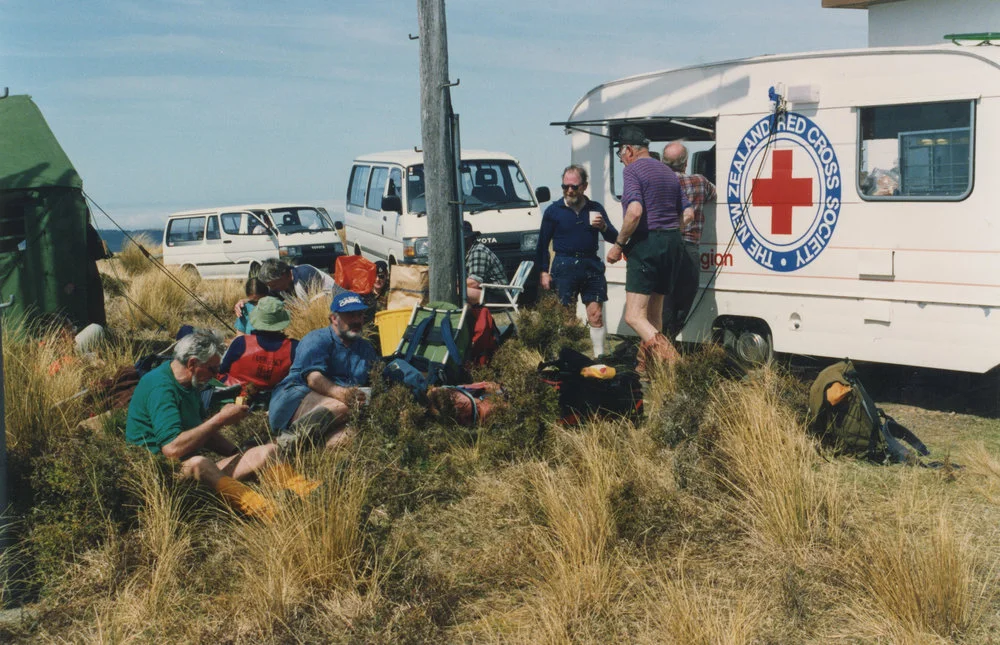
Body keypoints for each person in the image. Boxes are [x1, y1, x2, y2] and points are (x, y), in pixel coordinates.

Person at [125, 329, 319, 518]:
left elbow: (200, 430)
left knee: (267, 451)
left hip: (186, 469)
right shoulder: (161, 388)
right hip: (160, 476)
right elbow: (172, 449)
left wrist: (237, 452)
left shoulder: (189, 383)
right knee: (199, 463)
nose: (216, 374)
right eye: (212, 368)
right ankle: (268, 511)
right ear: (192, 363)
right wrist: (219, 420)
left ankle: (311, 493)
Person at [606, 125, 695, 373]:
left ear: (628, 150)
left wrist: (618, 245)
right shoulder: (667, 172)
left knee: (633, 316)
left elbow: (634, 212)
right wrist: (668, 229)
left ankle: (679, 366)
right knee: (653, 317)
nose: (622, 160)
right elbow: (688, 214)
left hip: (647, 244)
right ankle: (652, 372)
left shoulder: (633, 170)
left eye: (620, 154)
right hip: (673, 243)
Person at [268, 291, 380, 452]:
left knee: (353, 434)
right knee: (344, 404)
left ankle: (302, 451)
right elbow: (313, 379)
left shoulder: (366, 348)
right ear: (334, 318)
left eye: (360, 315)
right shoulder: (317, 339)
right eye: (350, 315)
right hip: (292, 402)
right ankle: (284, 445)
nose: (357, 320)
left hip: (334, 410)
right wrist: (344, 395)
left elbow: (375, 380)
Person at [536, 164, 618, 357]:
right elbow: (542, 244)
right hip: (564, 265)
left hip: (591, 265)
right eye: (565, 187)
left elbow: (614, 237)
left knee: (596, 315)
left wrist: (604, 226)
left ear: (584, 186)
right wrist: (543, 272)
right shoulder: (553, 211)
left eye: (574, 186)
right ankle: (568, 357)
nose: (569, 191)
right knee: (567, 317)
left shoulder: (595, 208)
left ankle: (599, 358)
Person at [662, 141, 716, 335]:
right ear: (685, 164)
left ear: (662, 161)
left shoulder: (657, 183)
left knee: (664, 299)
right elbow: (715, 194)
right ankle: (671, 340)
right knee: (684, 297)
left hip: (664, 247)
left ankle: (660, 347)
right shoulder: (700, 182)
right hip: (689, 246)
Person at [220, 296, 299, 399]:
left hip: (236, 393)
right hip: (274, 396)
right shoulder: (294, 347)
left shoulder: (240, 342)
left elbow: (222, 370)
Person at [252, 259, 335, 305]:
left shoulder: (305, 275)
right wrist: (247, 301)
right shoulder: (278, 287)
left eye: (274, 285)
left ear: (283, 275)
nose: (272, 289)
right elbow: (265, 299)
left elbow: (318, 305)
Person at [463, 220, 507, 306]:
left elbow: (474, 282)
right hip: (487, 291)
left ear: (468, 238)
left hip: (497, 296)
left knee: (455, 292)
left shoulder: (478, 251)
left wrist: (452, 284)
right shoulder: (470, 251)